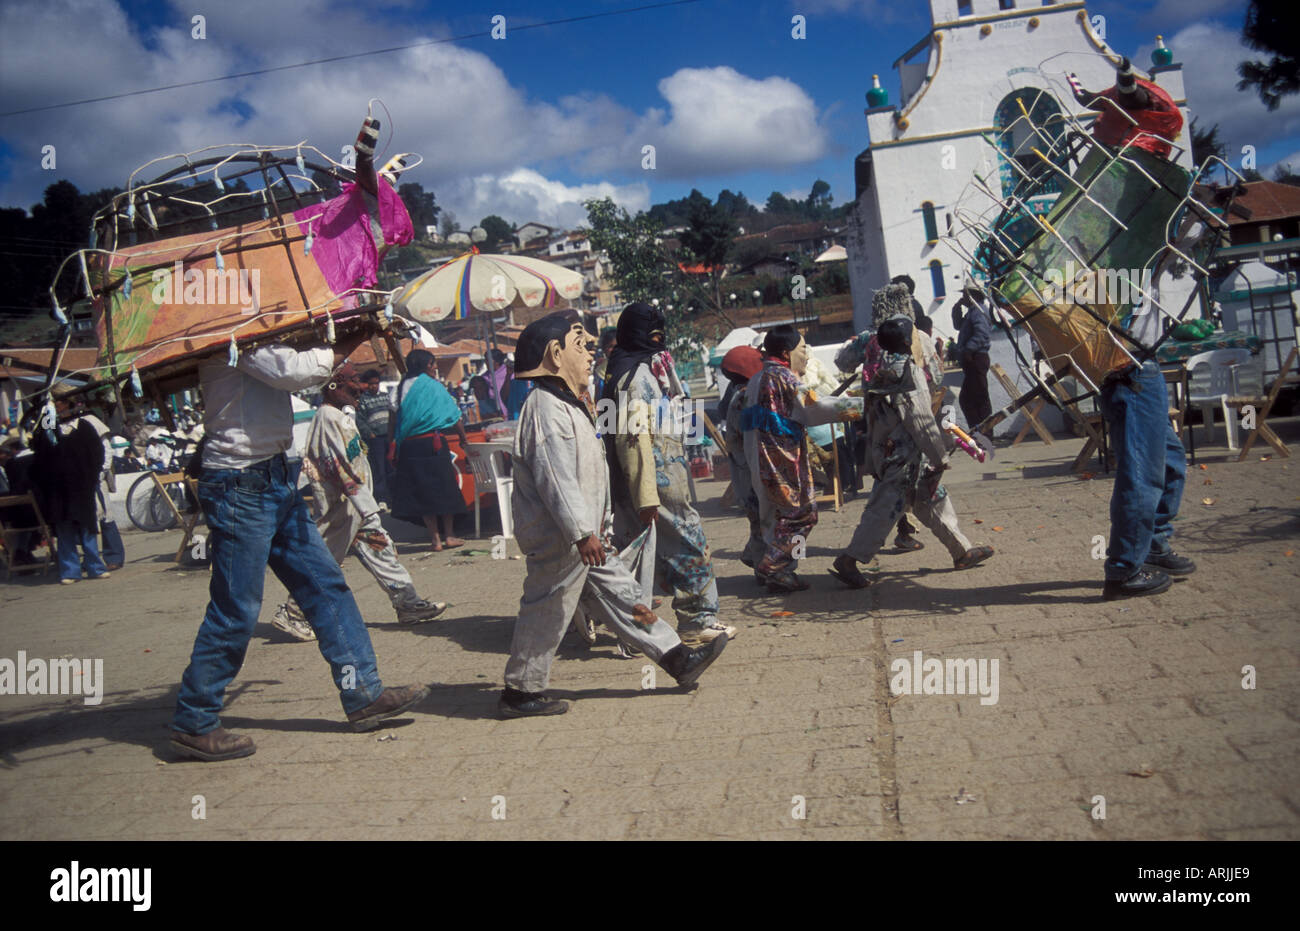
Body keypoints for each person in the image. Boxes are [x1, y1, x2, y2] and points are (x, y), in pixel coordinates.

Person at [171, 331, 428, 762]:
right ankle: (194, 721)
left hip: (271, 479)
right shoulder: (233, 333)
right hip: (238, 484)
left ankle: (363, 693)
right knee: (236, 608)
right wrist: (350, 340)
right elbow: (296, 372)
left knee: (326, 586)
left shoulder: (254, 334)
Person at [501, 312, 728, 716]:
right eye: (580, 347)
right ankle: (519, 691)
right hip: (562, 538)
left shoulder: (569, 403)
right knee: (547, 610)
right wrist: (579, 531)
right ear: (555, 355)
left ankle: (677, 658)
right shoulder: (545, 409)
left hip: (585, 537)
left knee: (625, 598)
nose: (591, 354)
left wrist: (594, 528)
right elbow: (556, 479)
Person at [270, 364, 448, 641]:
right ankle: (292, 613)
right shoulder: (327, 417)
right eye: (353, 382)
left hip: (357, 507)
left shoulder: (338, 415)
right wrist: (363, 502)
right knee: (325, 561)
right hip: (343, 506)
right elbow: (338, 465)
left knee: (382, 551)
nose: (360, 387)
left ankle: (408, 604)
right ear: (334, 386)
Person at [601, 301, 733, 645]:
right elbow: (630, 440)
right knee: (688, 546)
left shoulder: (634, 369)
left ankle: (629, 625)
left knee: (638, 554)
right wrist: (645, 496)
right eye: (652, 330)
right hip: (654, 485)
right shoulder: (634, 377)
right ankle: (698, 620)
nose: (659, 337)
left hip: (657, 480)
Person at [830, 316, 993, 589]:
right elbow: (919, 420)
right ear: (908, 342)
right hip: (905, 459)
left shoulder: (879, 371)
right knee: (883, 511)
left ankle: (962, 551)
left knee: (933, 501)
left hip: (888, 452)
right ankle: (849, 560)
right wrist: (939, 456)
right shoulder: (909, 373)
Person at [743, 324, 863, 593]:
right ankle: (774, 565)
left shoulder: (756, 380)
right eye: (802, 349)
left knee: (774, 517)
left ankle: (782, 573)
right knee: (802, 515)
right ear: (786, 353)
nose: (807, 355)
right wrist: (861, 407)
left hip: (757, 456)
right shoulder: (785, 378)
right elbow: (815, 409)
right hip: (782, 459)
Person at [836, 284, 943, 552]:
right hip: (918, 412)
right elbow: (937, 376)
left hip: (878, 417)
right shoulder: (919, 337)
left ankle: (901, 530)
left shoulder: (868, 339)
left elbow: (842, 362)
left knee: (886, 470)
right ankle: (893, 534)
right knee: (911, 475)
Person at [30, 385, 116, 584]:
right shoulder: (47, 429)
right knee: (64, 530)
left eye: (60, 402)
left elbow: (97, 454)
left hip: (82, 488)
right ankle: (69, 570)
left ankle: (95, 566)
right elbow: (40, 458)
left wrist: (92, 476)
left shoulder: (83, 426)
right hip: (58, 491)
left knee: (88, 528)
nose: (57, 406)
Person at [388, 348, 469, 551]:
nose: (434, 368)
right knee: (445, 488)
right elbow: (454, 414)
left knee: (421, 491)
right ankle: (449, 535)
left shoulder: (399, 389)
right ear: (425, 366)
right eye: (432, 364)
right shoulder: (434, 387)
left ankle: (435, 539)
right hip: (433, 444)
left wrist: (392, 446)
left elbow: (392, 421)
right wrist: (463, 438)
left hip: (409, 447)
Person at [719, 346, 766, 570]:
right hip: (752, 470)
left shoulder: (739, 393)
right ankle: (773, 567)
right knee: (768, 521)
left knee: (759, 522)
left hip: (743, 471)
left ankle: (755, 557)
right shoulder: (746, 397)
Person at [954, 285, 993, 431]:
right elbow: (958, 325)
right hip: (973, 359)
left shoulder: (978, 310)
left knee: (974, 399)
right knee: (973, 398)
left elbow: (982, 334)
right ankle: (980, 431)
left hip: (976, 358)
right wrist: (957, 308)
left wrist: (968, 350)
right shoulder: (972, 312)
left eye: (965, 295)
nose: (963, 298)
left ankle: (982, 432)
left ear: (973, 296)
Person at [354, 369, 392, 504]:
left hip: (389, 437)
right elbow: (360, 420)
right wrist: (370, 434)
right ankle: (381, 499)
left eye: (376, 383)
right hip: (375, 440)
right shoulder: (363, 400)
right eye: (371, 384)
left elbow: (394, 415)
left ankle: (393, 498)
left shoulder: (387, 397)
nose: (374, 386)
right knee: (379, 469)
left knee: (391, 467)